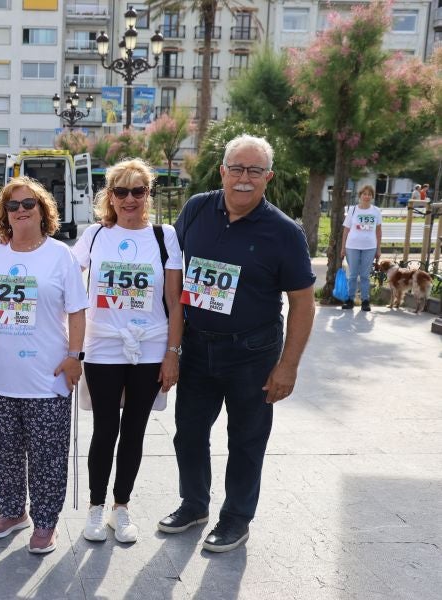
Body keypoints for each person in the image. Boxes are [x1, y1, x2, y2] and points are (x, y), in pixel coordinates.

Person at [159, 134, 316, 553]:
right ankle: (194, 504)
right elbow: (171, 272)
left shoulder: (284, 232)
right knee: (188, 433)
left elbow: (303, 304)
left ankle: (236, 519)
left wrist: (289, 366)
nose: (244, 179)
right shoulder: (196, 209)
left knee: (246, 439)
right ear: (222, 171)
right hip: (196, 346)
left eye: (254, 171)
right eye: (237, 169)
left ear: (269, 177)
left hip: (253, 352)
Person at [71, 159, 183, 544]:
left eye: (139, 190)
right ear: (110, 196)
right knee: (105, 429)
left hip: (150, 346)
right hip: (102, 345)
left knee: (134, 430)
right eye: (121, 191)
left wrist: (173, 352)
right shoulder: (95, 236)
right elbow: (65, 281)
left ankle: (122, 507)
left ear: (148, 194)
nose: (130, 199)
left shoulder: (163, 235)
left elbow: (174, 299)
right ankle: (95, 508)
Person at [0, 177, 87, 554]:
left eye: (29, 204)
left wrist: (75, 357)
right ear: (4, 214)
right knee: (5, 452)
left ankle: (45, 522)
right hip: (0, 378)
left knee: (48, 456)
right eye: (13, 205)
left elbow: (77, 310)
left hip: (47, 376)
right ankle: (12, 513)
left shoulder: (60, 255)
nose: (21, 210)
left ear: (43, 210)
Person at [340, 185, 382, 311]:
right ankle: (350, 300)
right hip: (352, 246)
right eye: (364, 194)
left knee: (364, 275)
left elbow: (378, 232)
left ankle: (365, 300)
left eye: (369, 194)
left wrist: (378, 249)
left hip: (370, 247)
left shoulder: (376, 211)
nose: (367, 196)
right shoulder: (353, 210)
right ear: (360, 196)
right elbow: (346, 231)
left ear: (372, 197)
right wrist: (343, 248)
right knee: (352, 275)